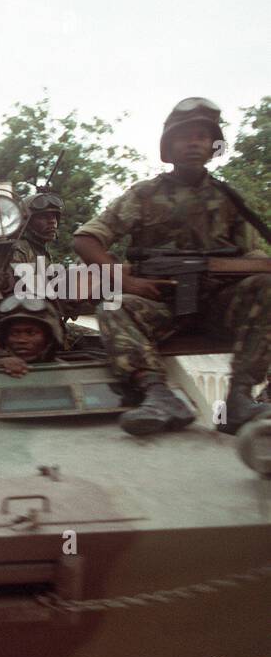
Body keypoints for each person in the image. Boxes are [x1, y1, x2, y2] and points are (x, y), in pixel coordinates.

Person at [73, 97, 271, 436]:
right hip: (158, 305)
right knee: (112, 305)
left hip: (218, 306)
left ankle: (239, 399)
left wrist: (227, 270)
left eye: (201, 136)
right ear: (169, 146)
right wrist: (127, 283)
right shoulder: (144, 195)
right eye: (184, 136)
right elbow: (86, 239)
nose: (193, 143)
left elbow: (254, 257)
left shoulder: (229, 199)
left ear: (213, 146)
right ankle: (158, 394)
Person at [0, 304, 66, 377]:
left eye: (31, 333)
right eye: (14, 333)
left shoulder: (66, 372)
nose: (21, 340)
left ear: (48, 338)